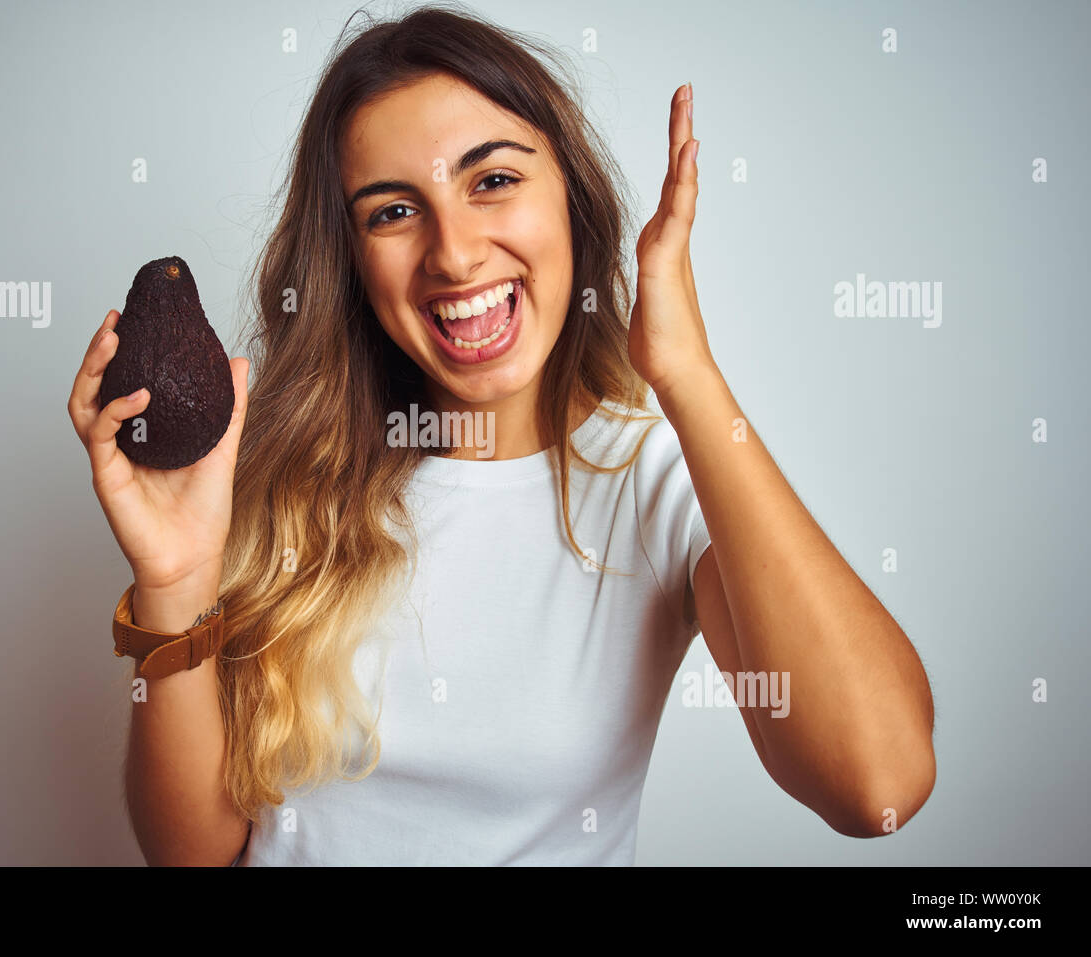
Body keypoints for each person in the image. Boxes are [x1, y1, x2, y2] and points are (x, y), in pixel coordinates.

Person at [66, 5, 936, 866]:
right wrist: (173, 580)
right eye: (393, 211)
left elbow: (878, 782)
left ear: (572, 199)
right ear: (352, 263)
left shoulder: (654, 483)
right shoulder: (274, 474)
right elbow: (193, 856)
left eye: (492, 181)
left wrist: (688, 375)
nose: (454, 253)